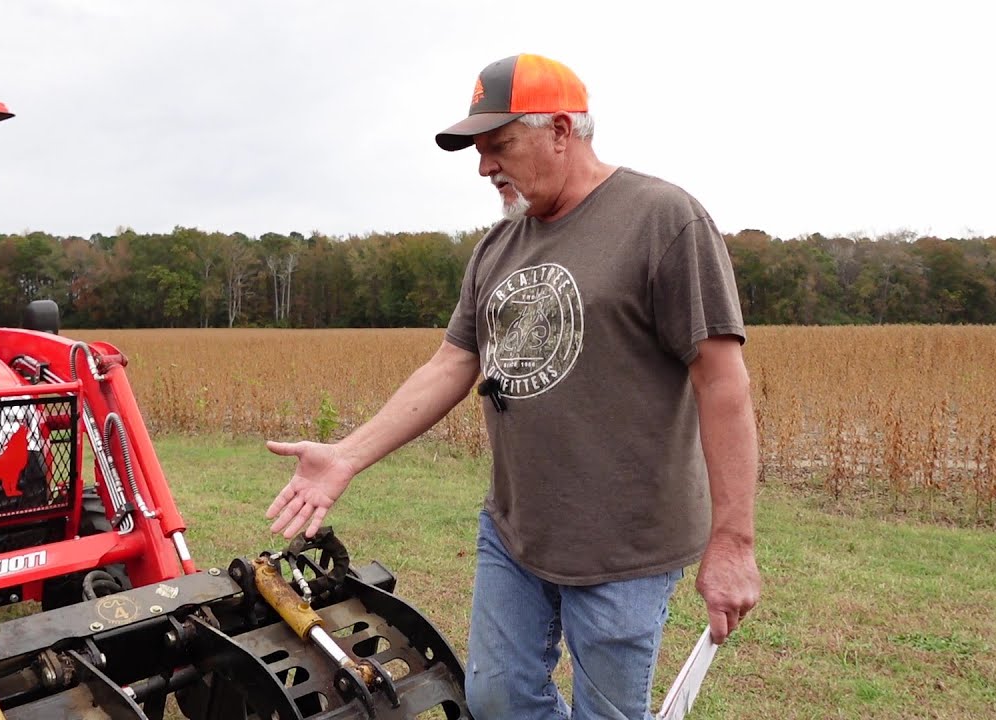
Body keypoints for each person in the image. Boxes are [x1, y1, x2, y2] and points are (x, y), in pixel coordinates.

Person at [266, 53, 760, 720]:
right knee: (496, 698)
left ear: (560, 130)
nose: (484, 167)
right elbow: (450, 364)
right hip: (517, 529)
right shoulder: (499, 246)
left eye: (499, 145)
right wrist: (346, 455)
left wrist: (733, 543)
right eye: (479, 151)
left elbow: (722, 383)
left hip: (625, 544)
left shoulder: (663, 220)